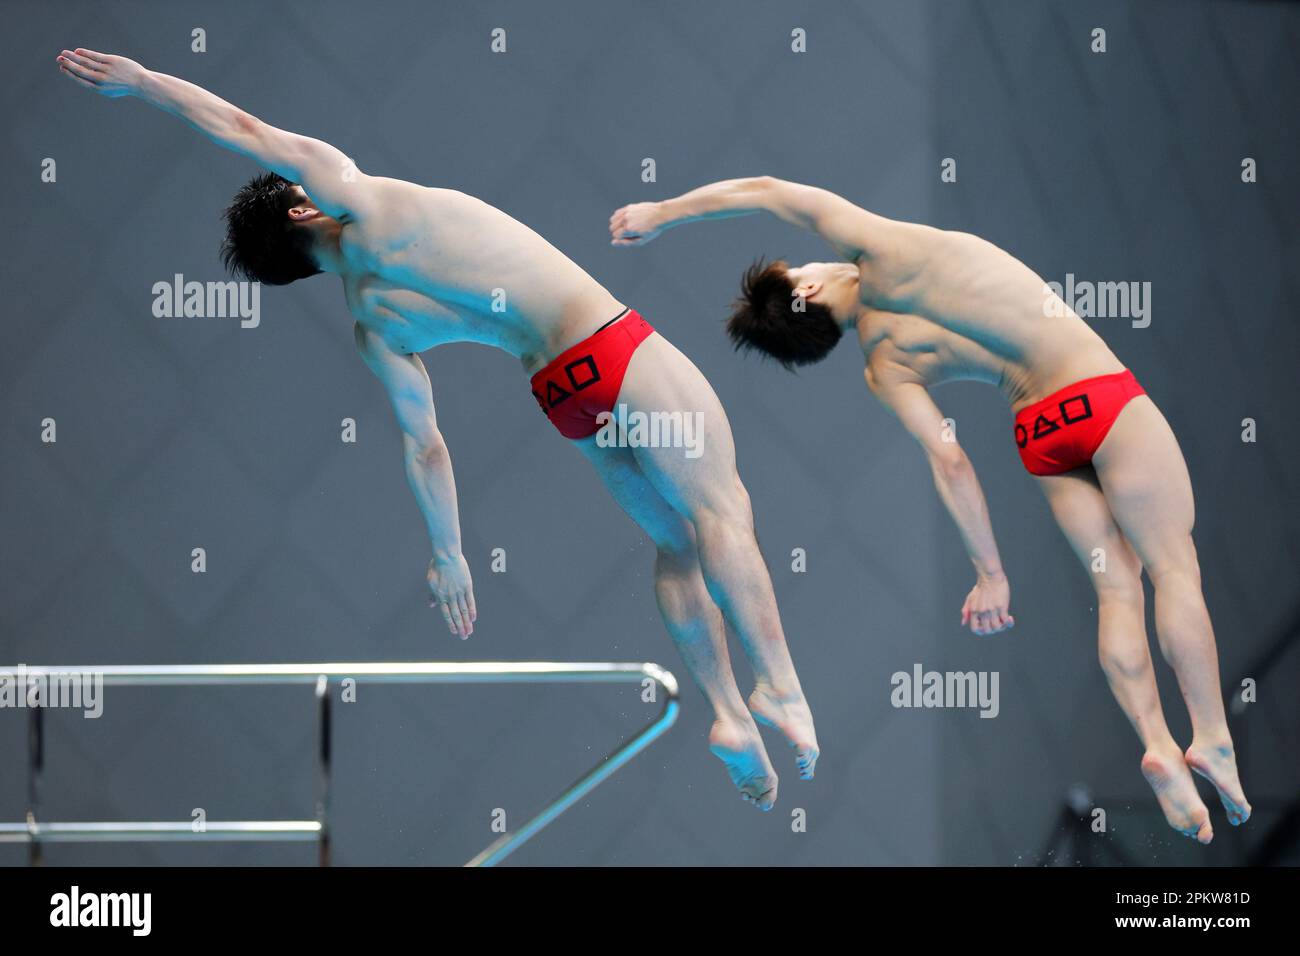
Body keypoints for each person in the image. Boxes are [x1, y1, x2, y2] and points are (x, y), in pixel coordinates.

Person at [57, 49, 820, 809]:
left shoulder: (372, 323)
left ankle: (725, 712)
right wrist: (149, 84)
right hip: (605, 341)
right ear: (299, 209)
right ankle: (779, 688)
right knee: (722, 511)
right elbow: (244, 127)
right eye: (297, 187)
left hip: (560, 392)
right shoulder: (363, 198)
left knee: (675, 543)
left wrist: (449, 553)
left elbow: (424, 444)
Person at [610, 176, 1250, 842]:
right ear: (805, 292)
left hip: (1040, 430)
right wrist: (664, 212)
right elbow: (769, 191)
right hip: (1100, 394)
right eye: (799, 268)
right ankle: (1210, 737)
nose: (812, 263)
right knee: (1175, 571)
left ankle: (1154, 739)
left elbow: (949, 459)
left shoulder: (883, 366)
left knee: (1116, 588)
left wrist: (991, 572)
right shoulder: (883, 249)